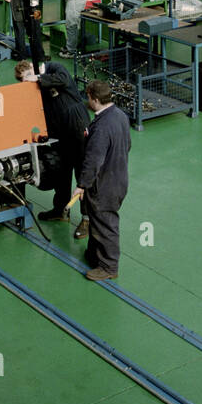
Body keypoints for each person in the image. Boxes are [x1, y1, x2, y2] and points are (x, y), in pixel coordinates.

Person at [72, 79, 131, 281]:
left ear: (95, 99)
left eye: (88, 97)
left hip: (104, 185)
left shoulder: (101, 127)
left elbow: (93, 160)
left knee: (106, 224)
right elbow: (127, 145)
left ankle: (108, 267)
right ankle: (95, 256)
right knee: (98, 221)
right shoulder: (120, 116)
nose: (86, 100)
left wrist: (81, 186)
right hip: (118, 178)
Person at [33, 61, 90, 228]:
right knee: (62, 172)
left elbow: (63, 79)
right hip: (58, 133)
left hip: (77, 127)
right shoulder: (36, 87)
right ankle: (60, 210)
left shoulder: (55, 68)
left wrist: (38, 78)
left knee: (82, 174)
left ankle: (87, 219)